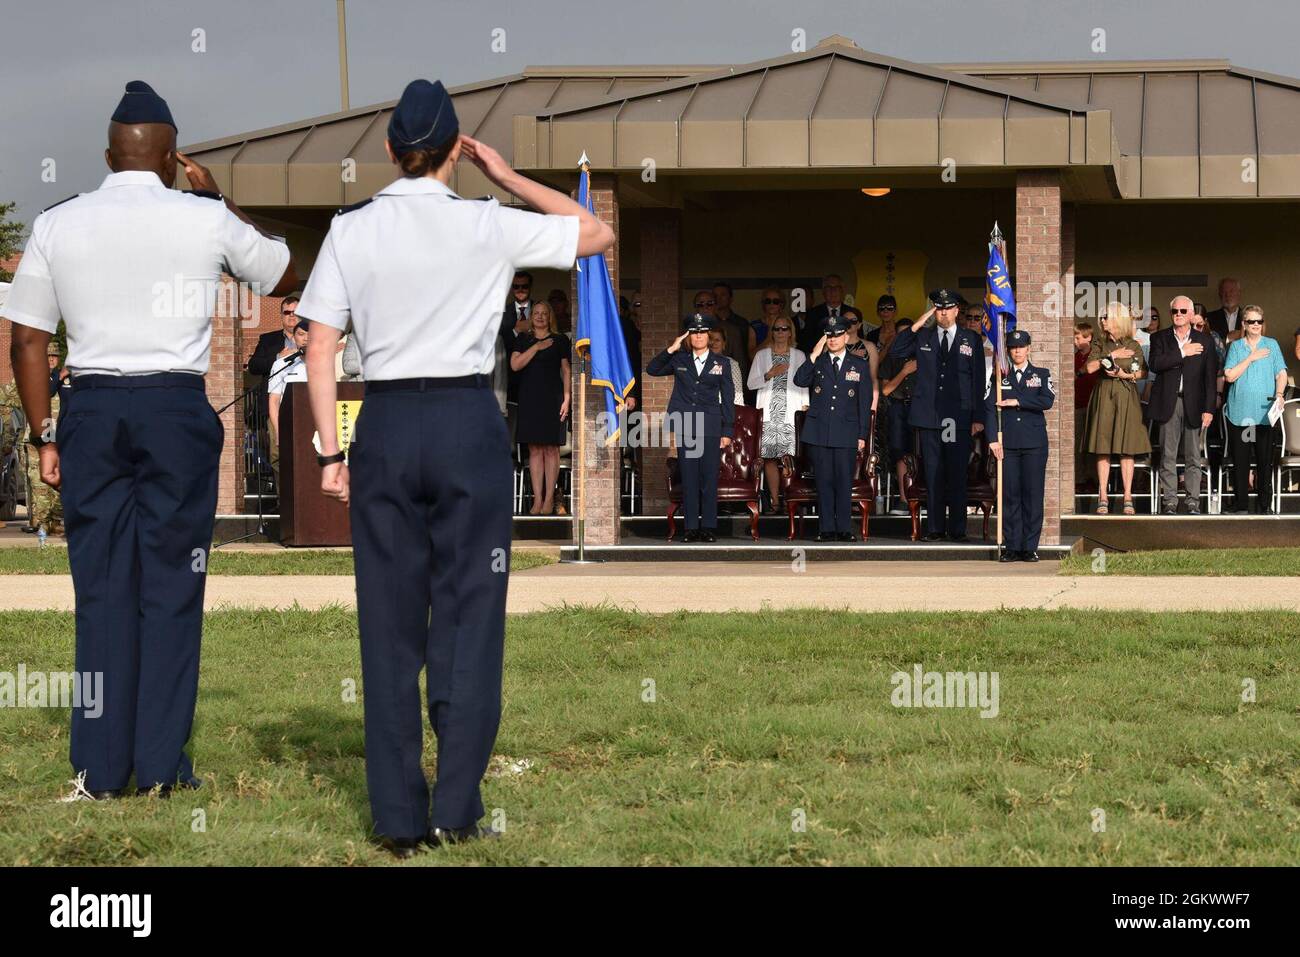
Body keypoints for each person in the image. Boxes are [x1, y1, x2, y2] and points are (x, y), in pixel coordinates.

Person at [297, 78, 611, 854]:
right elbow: (595, 233)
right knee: (470, 614)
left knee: (388, 623)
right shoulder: (487, 222)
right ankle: (455, 805)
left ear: (389, 151)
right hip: (468, 420)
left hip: (389, 420)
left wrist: (330, 452)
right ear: (456, 151)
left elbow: (319, 346)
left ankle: (397, 818)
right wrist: (507, 179)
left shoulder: (351, 228)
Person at [1, 80, 296, 799]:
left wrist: (46, 435)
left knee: (101, 591)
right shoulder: (202, 217)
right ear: (170, 158)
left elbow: (29, 341)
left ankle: (97, 771)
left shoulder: (58, 222)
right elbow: (279, 267)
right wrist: (218, 200)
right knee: (171, 588)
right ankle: (163, 769)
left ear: (109, 155)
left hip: (92, 410)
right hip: (173, 409)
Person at [889, 288, 985, 542]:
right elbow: (897, 350)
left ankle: (957, 529)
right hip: (930, 415)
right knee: (932, 472)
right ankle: (934, 528)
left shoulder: (970, 339)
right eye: (938, 308)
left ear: (956, 310)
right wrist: (920, 322)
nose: (943, 313)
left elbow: (976, 380)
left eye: (947, 308)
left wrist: (978, 417)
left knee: (956, 471)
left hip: (957, 416)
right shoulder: (924, 336)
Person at [646, 314, 734, 542]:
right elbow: (652, 369)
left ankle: (709, 528)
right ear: (689, 336)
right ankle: (691, 528)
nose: (698, 336)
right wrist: (672, 348)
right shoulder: (680, 360)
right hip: (686, 424)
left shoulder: (721, 363)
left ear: (708, 335)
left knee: (708, 479)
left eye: (702, 332)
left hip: (711, 425)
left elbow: (728, 398)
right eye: (694, 333)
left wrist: (727, 431)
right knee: (690, 478)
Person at [792, 317, 872, 541]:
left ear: (846, 337)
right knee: (824, 482)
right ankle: (826, 529)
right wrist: (814, 353)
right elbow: (799, 380)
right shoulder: (818, 361)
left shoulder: (859, 364)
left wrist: (861, 434)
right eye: (829, 335)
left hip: (846, 431)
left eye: (837, 335)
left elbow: (864, 403)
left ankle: (845, 529)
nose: (833, 339)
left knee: (844, 482)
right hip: (819, 431)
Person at [986, 329, 1055, 561]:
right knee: (1010, 495)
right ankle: (1012, 546)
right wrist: (993, 439)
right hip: (1008, 443)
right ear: (1008, 350)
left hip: (1034, 443)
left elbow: (1047, 400)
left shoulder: (1041, 374)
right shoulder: (998, 376)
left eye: (1021, 346)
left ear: (1029, 348)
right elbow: (988, 409)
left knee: (1033, 495)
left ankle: (1029, 547)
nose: (1017, 350)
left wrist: (1019, 401)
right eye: (1013, 347)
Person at [1145, 296, 1218, 515]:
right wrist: (1182, 352)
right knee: (1168, 455)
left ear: (1191, 314)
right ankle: (1169, 502)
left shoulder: (1204, 341)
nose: (1178, 314)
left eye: (1182, 311)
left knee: (1193, 456)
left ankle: (1192, 501)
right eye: (1174, 310)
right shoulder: (1159, 338)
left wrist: (1209, 409)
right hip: (1168, 402)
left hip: (1194, 404)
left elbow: (1210, 379)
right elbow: (1155, 364)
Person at [1082, 302, 1150, 514]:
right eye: (1102, 317)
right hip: (1104, 396)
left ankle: (1127, 496)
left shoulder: (1134, 344)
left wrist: (1125, 374)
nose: (1103, 320)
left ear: (1119, 319)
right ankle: (1103, 495)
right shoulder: (1099, 343)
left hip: (1126, 394)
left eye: (1107, 317)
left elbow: (1142, 373)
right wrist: (1112, 356)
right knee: (1103, 447)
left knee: (1126, 447)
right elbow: (1089, 368)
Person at [1222, 306, 1287, 513]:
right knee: (1241, 462)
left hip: (1264, 415)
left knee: (1264, 461)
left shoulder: (1272, 345)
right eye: (1251, 321)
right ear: (1244, 324)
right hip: (1241, 415)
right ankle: (1241, 505)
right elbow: (1230, 376)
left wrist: (1279, 394)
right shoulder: (1236, 347)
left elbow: (1282, 373)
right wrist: (1251, 357)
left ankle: (1264, 505)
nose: (1256, 325)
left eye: (1259, 321)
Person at [510, 301, 572, 515]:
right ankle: (537, 500)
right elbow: (515, 365)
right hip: (530, 400)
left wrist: (567, 397)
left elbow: (566, 370)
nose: (539, 316)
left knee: (551, 448)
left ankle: (548, 500)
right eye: (536, 313)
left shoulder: (560, 339)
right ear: (531, 316)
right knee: (535, 449)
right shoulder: (523, 339)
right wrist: (536, 347)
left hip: (553, 399)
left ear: (550, 317)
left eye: (544, 313)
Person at [747, 314, 808, 514]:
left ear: (791, 332)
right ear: (771, 332)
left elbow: (804, 383)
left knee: (788, 458)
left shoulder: (799, 355)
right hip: (768, 414)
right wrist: (769, 374)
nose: (781, 332)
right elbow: (750, 383)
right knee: (770, 459)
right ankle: (775, 501)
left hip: (791, 413)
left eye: (785, 328)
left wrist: (805, 405)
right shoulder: (761, 355)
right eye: (777, 329)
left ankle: (790, 500)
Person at [876, 317, 916, 505]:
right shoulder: (892, 358)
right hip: (898, 407)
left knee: (919, 451)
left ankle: (919, 496)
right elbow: (885, 390)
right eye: (902, 334)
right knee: (900, 452)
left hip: (919, 408)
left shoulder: (923, 355)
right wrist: (904, 372)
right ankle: (903, 497)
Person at [267, 318, 311, 460]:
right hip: (289, 421)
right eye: (301, 334)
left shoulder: (326, 362)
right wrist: (279, 431)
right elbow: (274, 400)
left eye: (310, 334)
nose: (306, 338)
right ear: (294, 337)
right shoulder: (282, 364)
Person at [1073, 321, 1098, 488]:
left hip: (1094, 405)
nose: (1075, 341)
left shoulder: (1096, 356)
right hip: (1077, 404)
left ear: (1088, 338)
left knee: (1093, 443)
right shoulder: (1073, 358)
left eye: (1078, 338)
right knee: (1078, 443)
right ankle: (1079, 479)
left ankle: (1093, 479)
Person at [804, 274, 849, 355]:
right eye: (829, 288)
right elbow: (807, 341)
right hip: (820, 359)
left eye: (837, 287)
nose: (833, 291)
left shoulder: (851, 313)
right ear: (823, 292)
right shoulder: (812, 314)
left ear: (843, 291)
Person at [706, 326, 745, 404]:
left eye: (717, 340)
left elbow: (737, 395)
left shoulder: (731, 364)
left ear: (724, 344)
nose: (713, 343)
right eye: (710, 339)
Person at [1205, 277, 1244, 342]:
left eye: (1231, 291)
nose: (1228, 295)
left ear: (1239, 293)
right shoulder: (1209, 318)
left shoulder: (1249, 317)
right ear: (1220, 295)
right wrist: (1227, 338)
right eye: (1224, 292)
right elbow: (1206, 342)